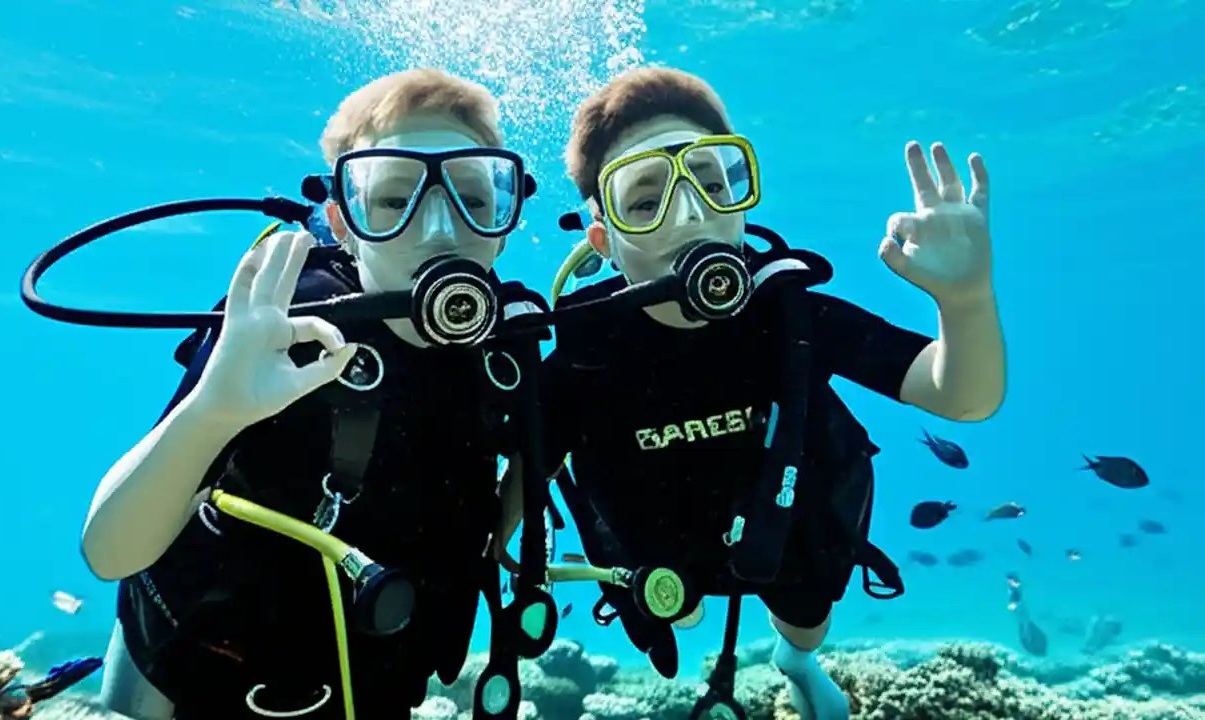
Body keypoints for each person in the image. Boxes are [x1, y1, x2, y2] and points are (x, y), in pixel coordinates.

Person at [494, 67, 1006, 720]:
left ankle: (793, 661)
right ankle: (696, 609)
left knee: (805, 626)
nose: (691, 214)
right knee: (673, 613)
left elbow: (965, 397)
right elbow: (510, 497)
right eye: (644, 201)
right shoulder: (584, 356)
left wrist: (965, 301)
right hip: (653, 546)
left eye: (713, 182)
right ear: (604, 240)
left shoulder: (791, 316)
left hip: (789, 530)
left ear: (743, 198)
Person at [85, 68, 547, 720]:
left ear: (504, 220)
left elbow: (530, 465)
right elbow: (109, 551)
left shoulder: (513, 346)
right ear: (344, 222)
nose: (441, 229)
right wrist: (212, 408)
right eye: (393, 201)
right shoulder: (283, 328)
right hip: (199, 682)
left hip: (380, 683)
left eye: (473, 198)